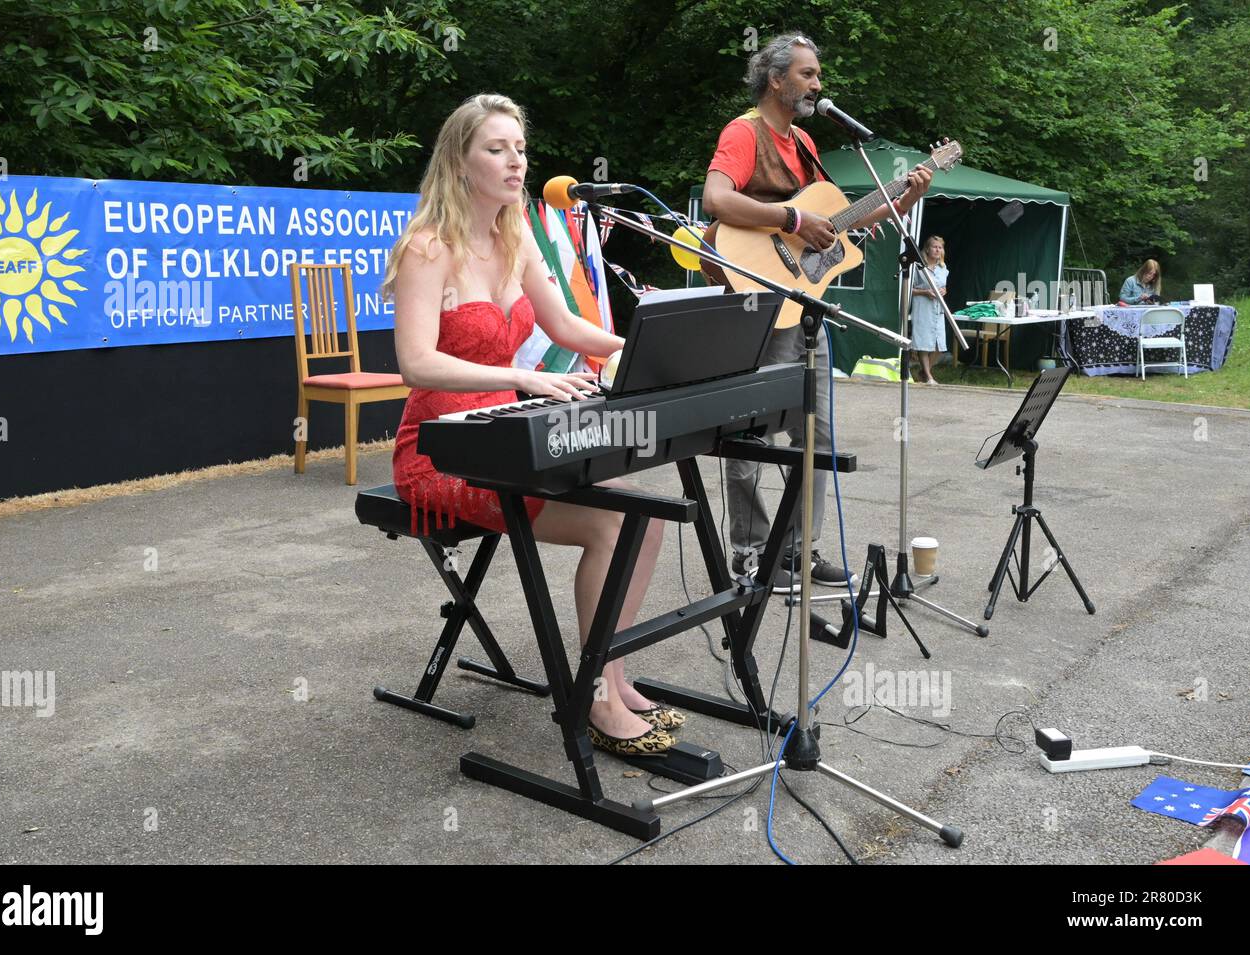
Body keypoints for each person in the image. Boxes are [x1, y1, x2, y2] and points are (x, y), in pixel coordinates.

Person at [382, 93, 682, 756]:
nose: (515, 160)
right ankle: (596, 696)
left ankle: (611, 671)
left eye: (519, 147)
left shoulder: (517, 240)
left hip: (506, 431)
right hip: (441, 451)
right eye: (496, 148)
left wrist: (645, 351)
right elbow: (416, 362)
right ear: (460, 163)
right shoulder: (428, 248)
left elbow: (569, 326)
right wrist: (524, 378)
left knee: (649, 515)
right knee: (612, 521)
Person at [701, 32, 933, 592]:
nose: (817, 84)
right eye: (807, 74)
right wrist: (790, 220)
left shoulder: (804, 142)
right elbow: (717, 200)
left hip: (804, 307)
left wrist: (905, 198)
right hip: (754, 301)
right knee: (751, 433)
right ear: (775, 79)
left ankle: (802, 551)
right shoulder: (744, 131)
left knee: (818, 435)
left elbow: (837, 223)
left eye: (817, 75)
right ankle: (753, 555)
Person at [910, 235, 949, 384]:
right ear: (927, 249)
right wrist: (925, 292)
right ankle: (928, 376)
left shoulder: (943, 268)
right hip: (923, 308)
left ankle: (922, 373)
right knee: (923, 344)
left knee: (939, 346)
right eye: (934, 247)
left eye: (940, 247)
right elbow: (908, 289)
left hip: (938, 309)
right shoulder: (918, 267)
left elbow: (943, 286)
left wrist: (944, 290)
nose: (937, 250)